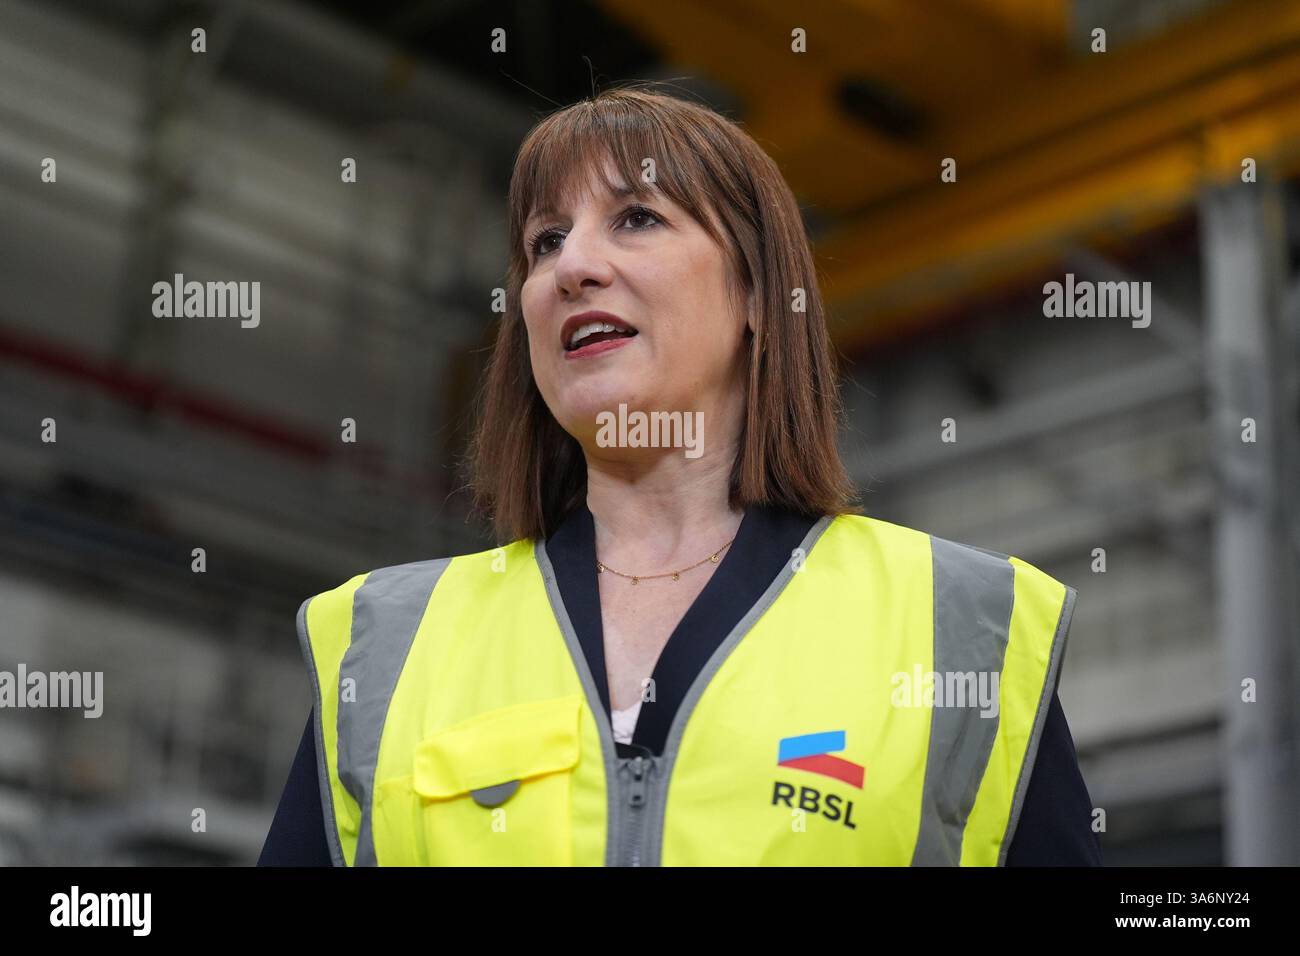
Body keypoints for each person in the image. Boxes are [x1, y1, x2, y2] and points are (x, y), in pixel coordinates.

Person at [259, 84, 1102, 867]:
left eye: (636, 219)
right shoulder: (387, 642)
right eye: (545, 242)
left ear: (759, 299)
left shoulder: (963, 628)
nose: (571, 267)